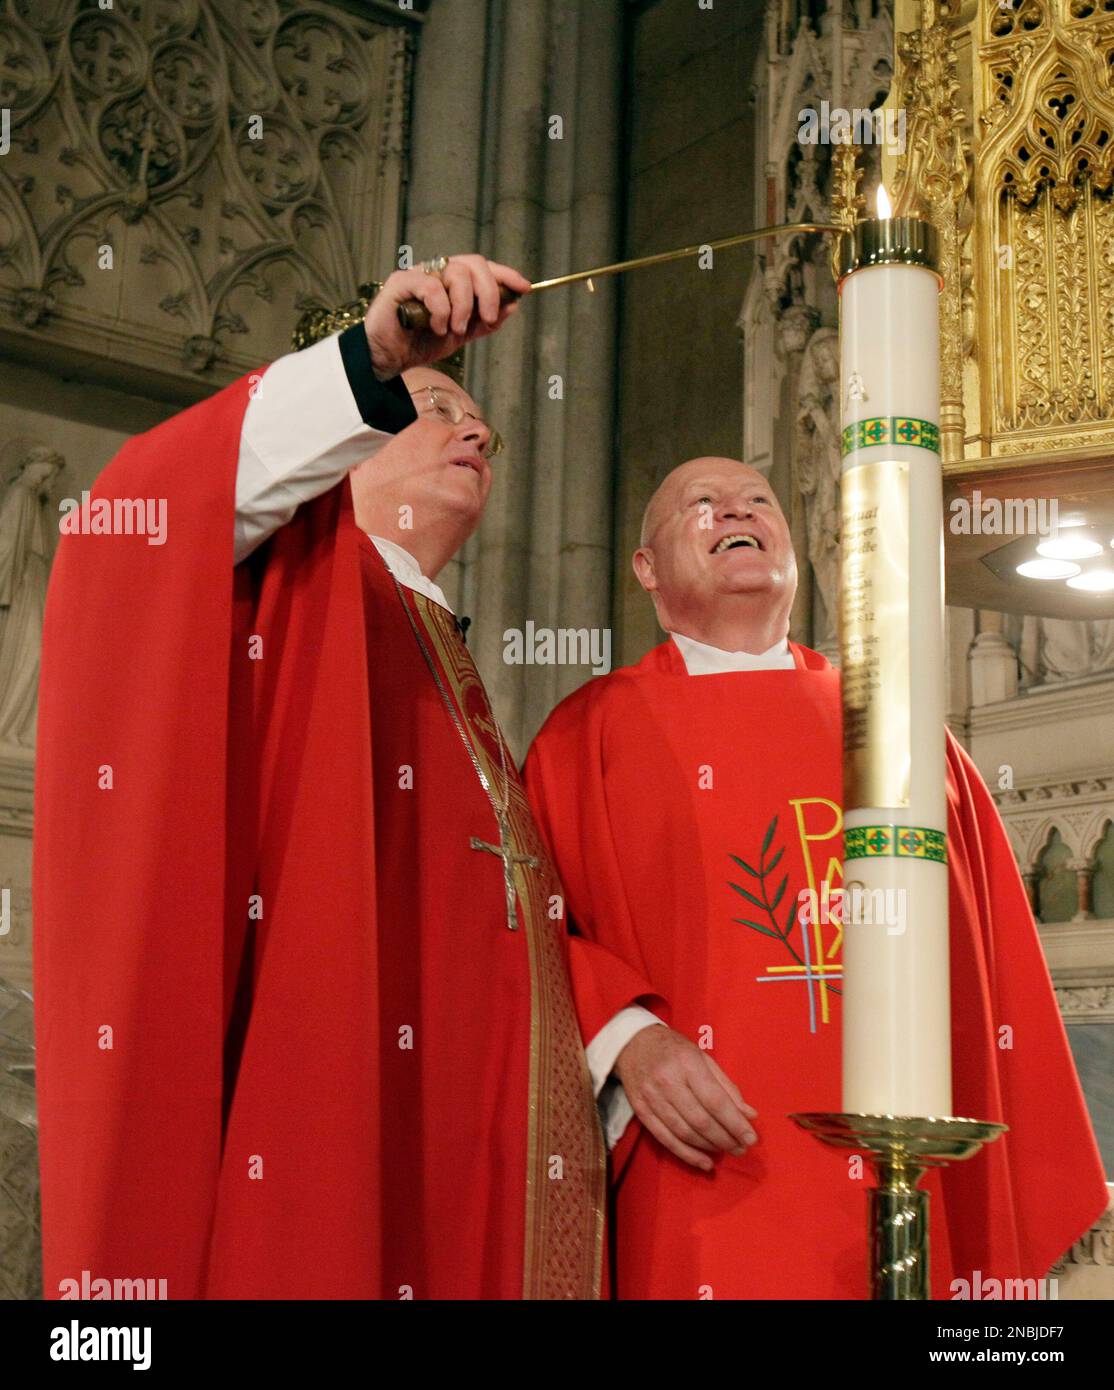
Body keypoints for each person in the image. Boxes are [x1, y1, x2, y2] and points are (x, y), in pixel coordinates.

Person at [33, 255, 637, 1300]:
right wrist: (372, 360)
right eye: (433, 405)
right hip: (318, 1149)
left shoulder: (449, 666)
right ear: (340, 452)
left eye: (478, 414)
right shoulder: (285, 594)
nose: (479, 431)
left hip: (472, 1167)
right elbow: (138, 512)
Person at [524, 455, 1108, 1300]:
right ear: (646, 569)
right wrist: (627, 1041)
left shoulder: (901, 728)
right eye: (703, 503)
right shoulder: (589, 736)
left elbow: (992, 971)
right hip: (696, 1168)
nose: (738, 509)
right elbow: (523, 934)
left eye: (759, 499)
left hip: (900, 1179)